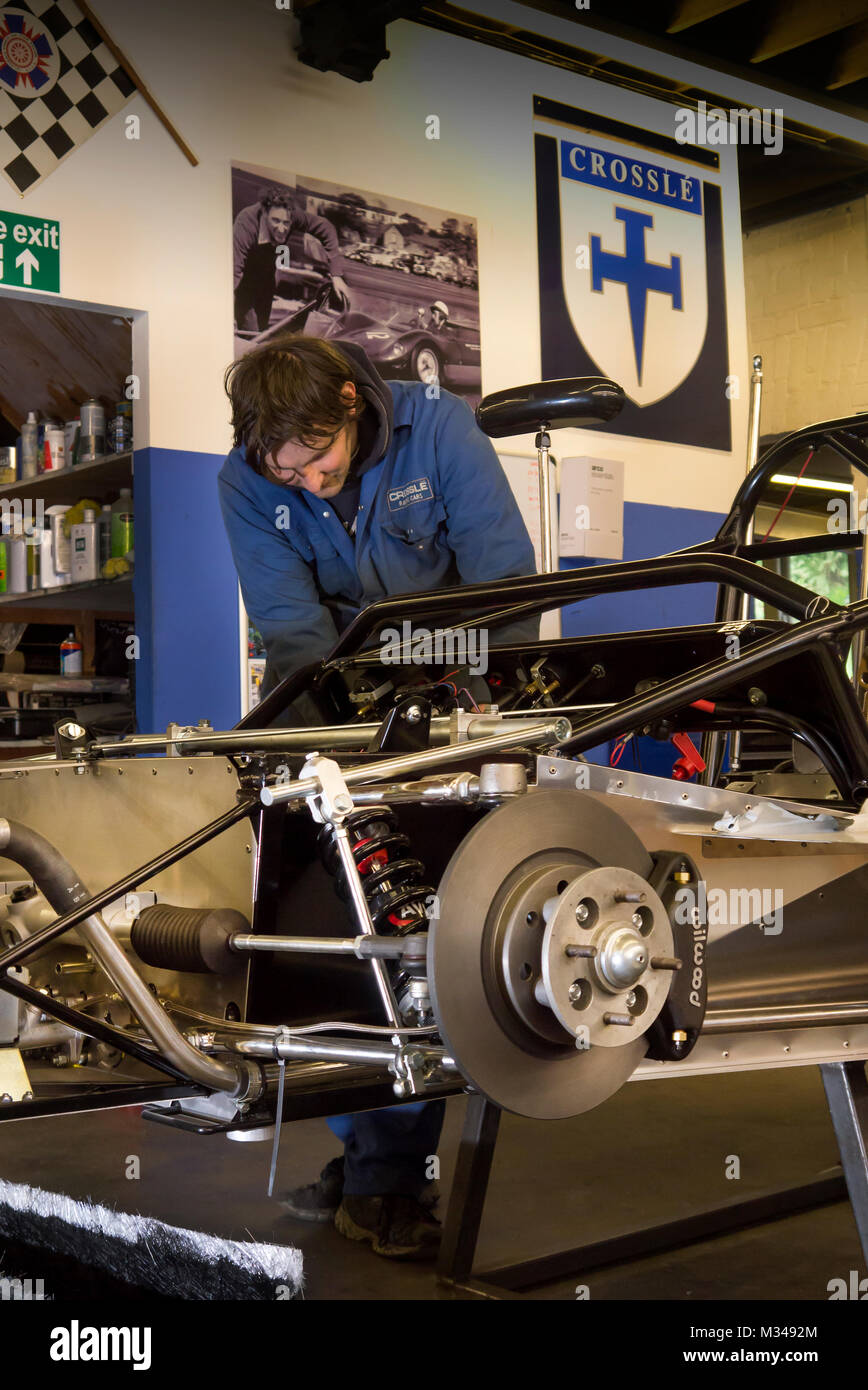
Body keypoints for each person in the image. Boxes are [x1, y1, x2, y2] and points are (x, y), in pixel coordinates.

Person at [218, 334, 537, 1259]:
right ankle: (367, 1152)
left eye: (321, 462)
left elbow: (506, 598)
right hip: (337, 719)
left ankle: (382, 1174)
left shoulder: (441, 430)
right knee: (323, 922)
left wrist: (437, 696)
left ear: (353, 403)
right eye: (291, 474)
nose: (312, 486)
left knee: (418, 937)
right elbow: (291, 634)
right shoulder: (245, 481)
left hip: (460, 711)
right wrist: (339, 754)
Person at [233, 185, 350, 332]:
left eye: (286, 223)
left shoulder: (292, 215)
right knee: (250, 332)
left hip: (267, 276)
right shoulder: (246, 224)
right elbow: (234, 273)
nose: (282, 228)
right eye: (275, 221)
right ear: (264, 212)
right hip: (244, 280)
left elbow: (326, 228)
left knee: (261, 329)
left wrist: (336, 275)